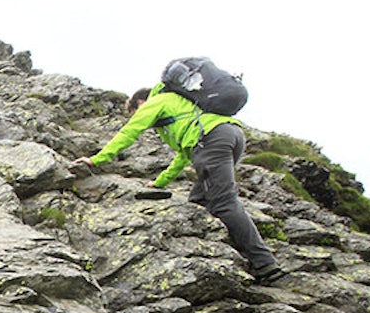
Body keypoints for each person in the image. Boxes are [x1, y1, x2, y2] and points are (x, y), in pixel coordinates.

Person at [73, 84, 284, 283]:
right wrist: (159, 183)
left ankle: (264, 263)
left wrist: (95, 160)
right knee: (199, 201)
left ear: (140, 102)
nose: (137, 116)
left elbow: (129, 132)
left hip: (212, 139)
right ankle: (227, 254)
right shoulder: (181, 108)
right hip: (230, 135)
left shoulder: (159, 100)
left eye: (135, 111)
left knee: (224, 203)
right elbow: (184, 155)